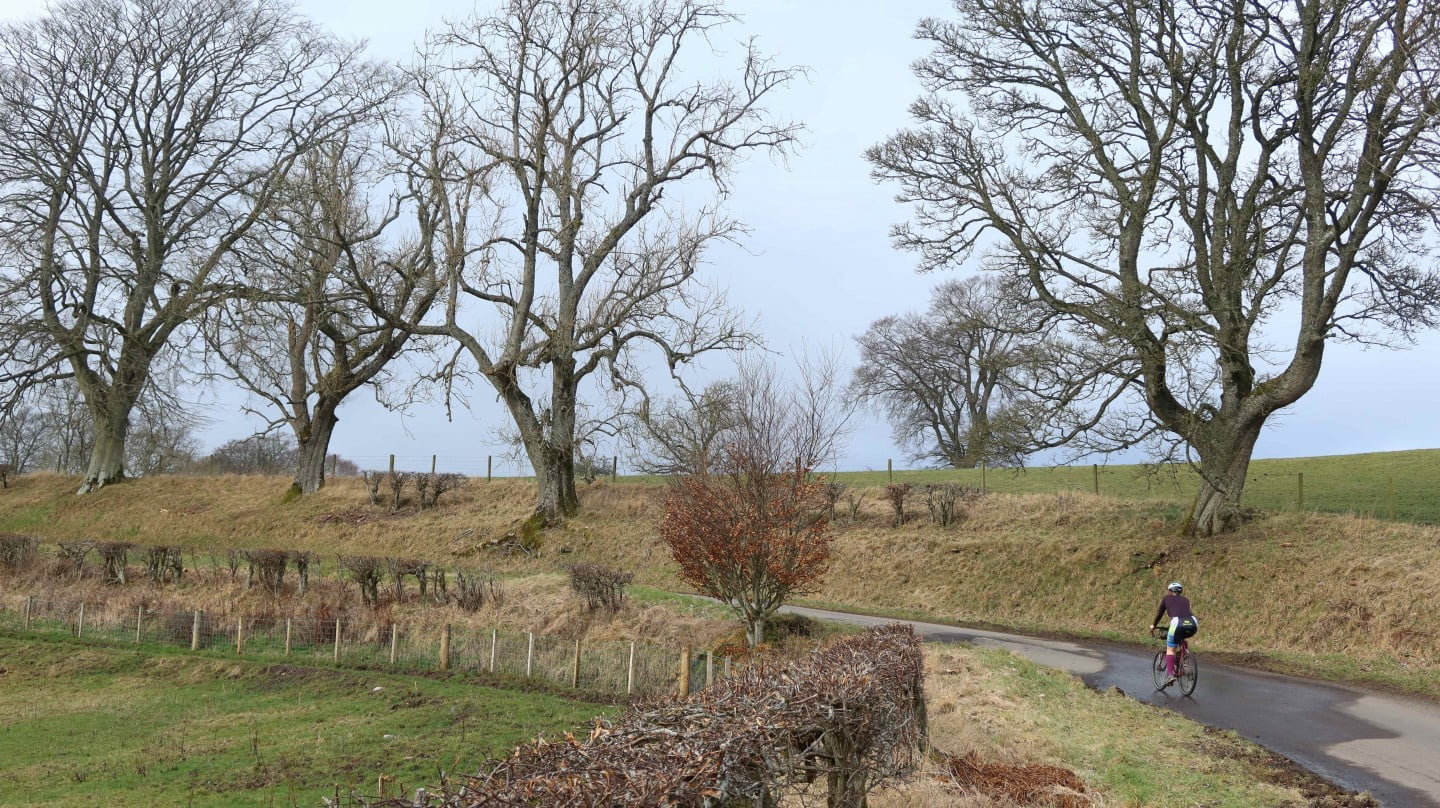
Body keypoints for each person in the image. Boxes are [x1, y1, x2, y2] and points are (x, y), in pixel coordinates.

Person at [1150, 581, 1198, 687]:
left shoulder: (1166, 599)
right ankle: (1185, 657)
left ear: (1169, 591)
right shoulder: (1186, 600)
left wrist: (1154, 625)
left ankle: (1170, 675)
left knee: (1170, 649)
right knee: (1182, 637)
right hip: (1193, 623)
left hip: (1177, 623)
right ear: (1180, 591)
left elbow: (1160, 614)